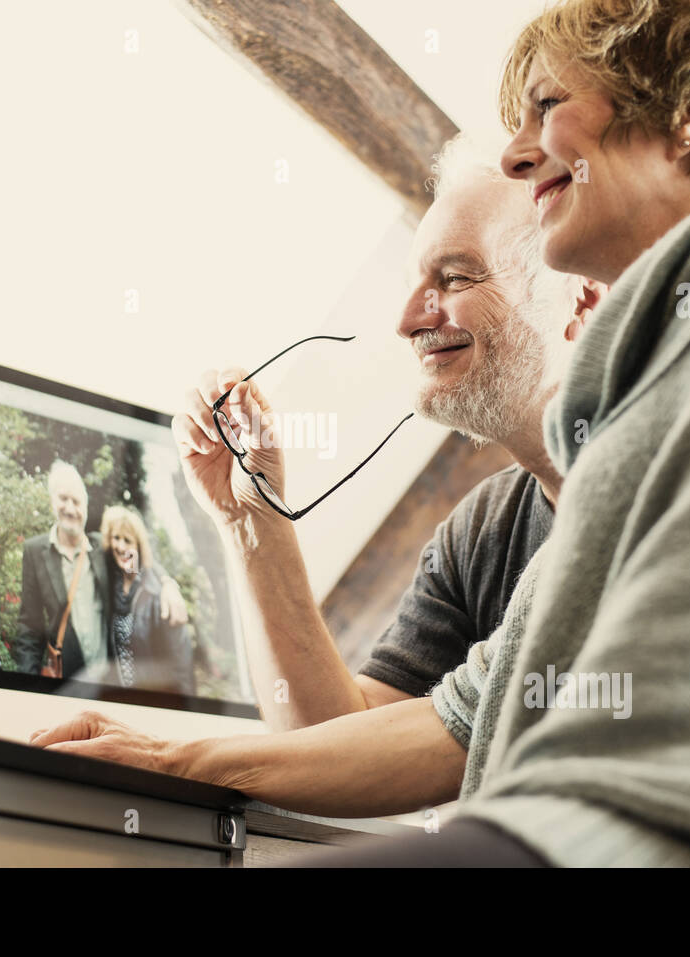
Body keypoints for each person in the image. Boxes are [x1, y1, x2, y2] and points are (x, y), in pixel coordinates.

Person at [35, 0, 690, 867]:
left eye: (547, 105)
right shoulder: (597, 470)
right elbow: (451, 722)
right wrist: (173, 756)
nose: (516, 150)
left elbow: (676, 782)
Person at [175, 131, 603, 731]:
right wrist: (251, 518)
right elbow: (333, 744)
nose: (406, 322)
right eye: (412, 284)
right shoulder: (481, 531)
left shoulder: (683, 479)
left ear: (580, 300)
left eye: (453, 278)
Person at [11, 460, 188, 676]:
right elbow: (29, 626)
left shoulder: (101, 547)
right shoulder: (34, 552)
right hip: (70, 677)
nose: (70, 508)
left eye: (77, 502)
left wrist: (168, 583)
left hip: (109, 676)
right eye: (63, 499)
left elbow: (138, 560)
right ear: (52, 502)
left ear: (85, 508)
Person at [99, 504, 196, 695]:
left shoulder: (158, 595)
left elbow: (181, 663)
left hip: (154, 698)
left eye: (128, 540)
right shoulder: (111, 582)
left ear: (139, 547)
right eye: (116, 538)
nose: (120, 546)